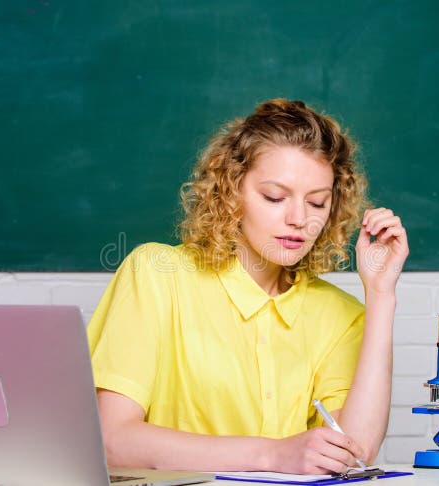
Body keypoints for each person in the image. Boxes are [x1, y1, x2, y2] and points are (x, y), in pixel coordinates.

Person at [87, 98, 409, 474]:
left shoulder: (342, 315)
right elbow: (111, 441)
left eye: (317, 203)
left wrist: (381, 295)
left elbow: (354, 452)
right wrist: (271, 455)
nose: (299, 219)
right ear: (231, 190)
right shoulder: (157, 275)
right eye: (275, 197)